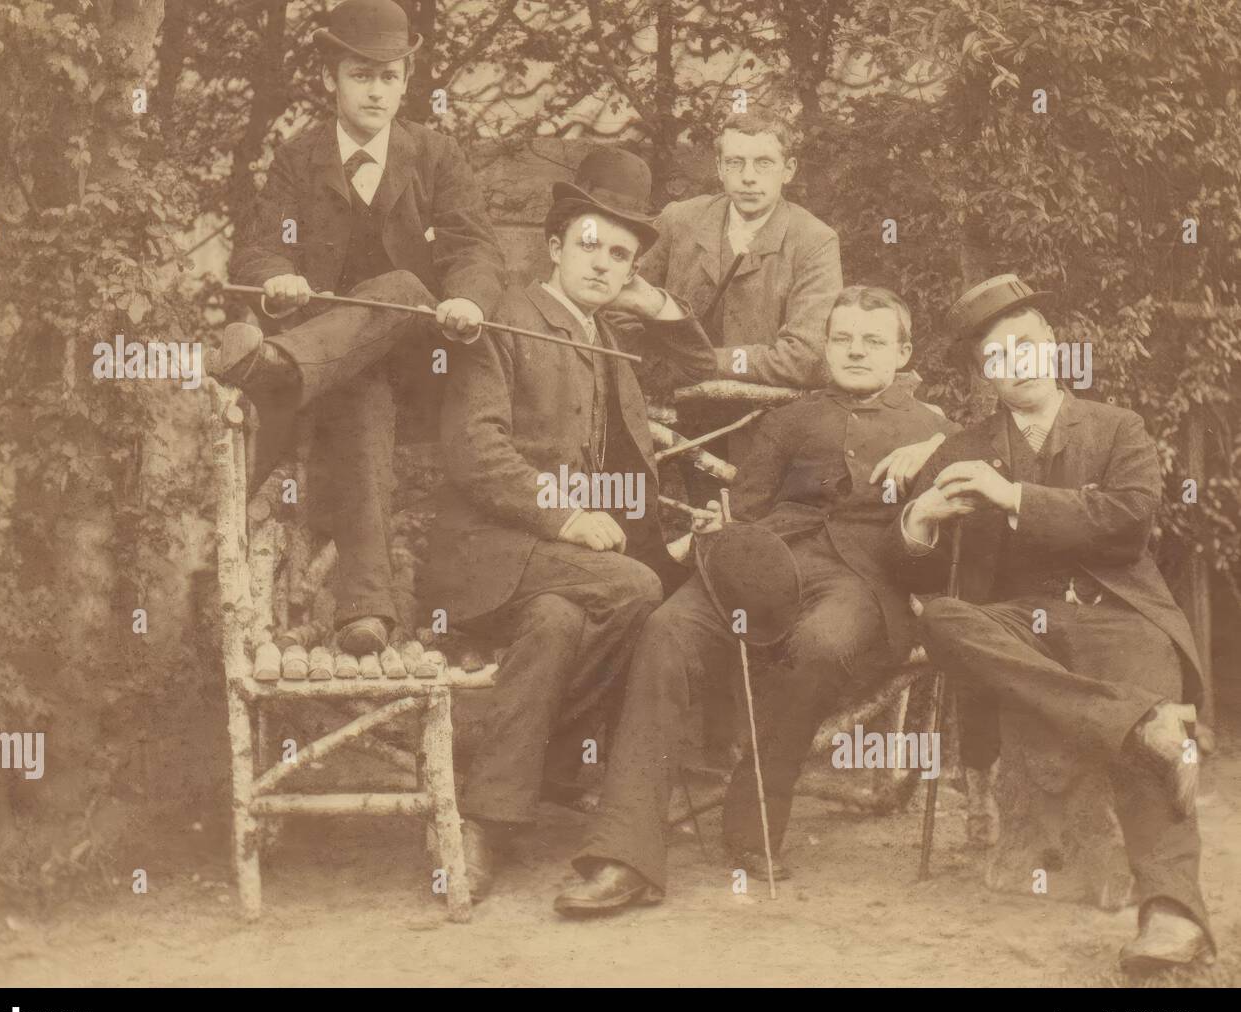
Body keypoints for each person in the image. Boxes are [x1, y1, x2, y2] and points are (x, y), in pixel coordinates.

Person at [555, 286, 956, 915]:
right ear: (825, 346)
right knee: (665, 630)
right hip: (765, 559)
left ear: (904, 352)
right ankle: (624, 855)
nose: (855, 351)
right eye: (842, 338)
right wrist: (721, 539)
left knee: (821, 646)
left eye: (873, 341)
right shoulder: (791, 418)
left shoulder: (937, 429)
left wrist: (938, 447)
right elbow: (744, 511)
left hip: (866, 578)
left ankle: (752, 820)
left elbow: (981, 481)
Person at [893, 273, 1213, 973]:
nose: (1020, 364)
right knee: (947, 623)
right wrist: (917, 523)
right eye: (999, 357)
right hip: (1022, 624)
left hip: (1118, 609)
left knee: (1138, 666)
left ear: (1057, 348)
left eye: (1030, 345)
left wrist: (1011, 494)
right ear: (984, 375)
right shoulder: (963, 447)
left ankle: (1171, 912)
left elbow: (1127, 524)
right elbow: (919, 579)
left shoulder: (1116, 427)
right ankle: (1145, 724)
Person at [426, 148, 717, 902]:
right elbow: (473, 450)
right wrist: (564, 516)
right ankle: (555, 764)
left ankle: (487, 819)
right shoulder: (503, 320)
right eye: (590, 243)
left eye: (621, 256)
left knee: (557, 622)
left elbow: (695, 359)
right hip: (486, 554)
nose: (603, 264)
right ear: (554, 245)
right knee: (635, 587)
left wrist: (666, 535)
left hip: (549, 583)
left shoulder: (608, 343)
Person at [211, 0, 506, 654]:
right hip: (344, 379)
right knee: (362, 391)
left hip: (424, 368)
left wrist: (468, 300)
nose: (377, 91)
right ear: (331, 79)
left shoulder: (434, 155)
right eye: (361, 75)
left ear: (406, 80)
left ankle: (280, 368)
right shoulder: (300, 156)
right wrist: (277, 279)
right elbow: (258, 251)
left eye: (390, 76)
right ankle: (366, 611)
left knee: (402, 289)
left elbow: (476, 250)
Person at [640, 105, 843, 389]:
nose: (749, 177)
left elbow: (806, 358)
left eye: (764, 163)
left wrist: (707, 362)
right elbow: (621, 309)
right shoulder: (679, 221)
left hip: (766, 413)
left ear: (788, 170)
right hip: (670, 400)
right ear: (720, 168)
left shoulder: (814, 241)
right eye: (735, 162)